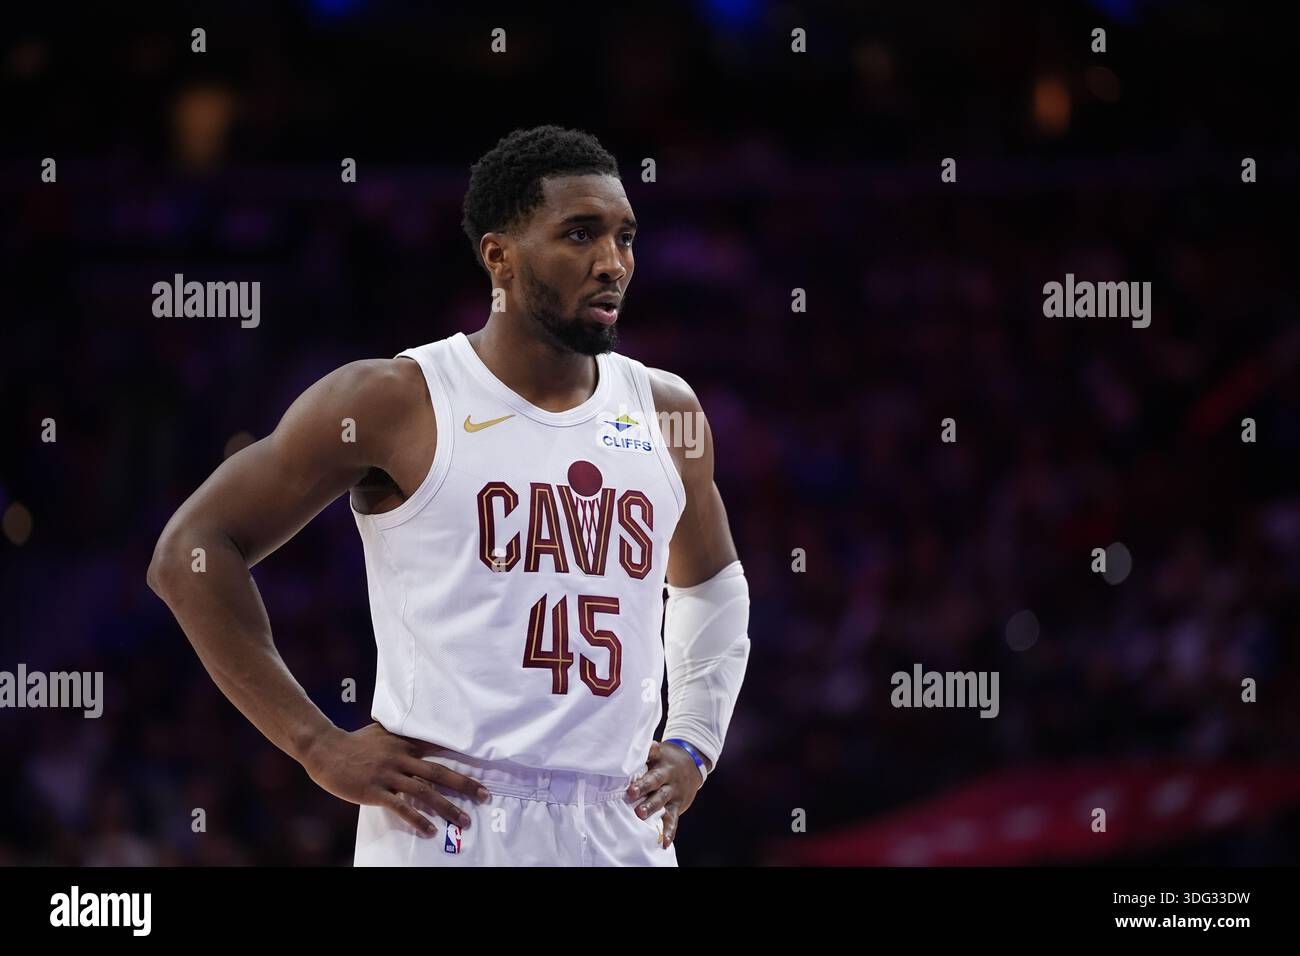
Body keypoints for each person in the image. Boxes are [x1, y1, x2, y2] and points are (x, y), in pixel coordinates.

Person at [147, 124, 751, 866]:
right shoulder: (392, 399)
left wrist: (695, 740)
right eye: (580, 235)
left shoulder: (668, 410)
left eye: (625, 237)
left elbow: (712, 585)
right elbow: (191, 551)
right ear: (499, 256)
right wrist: (316, 744)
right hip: (452, 817)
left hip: (619, 820)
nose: (612, 262)